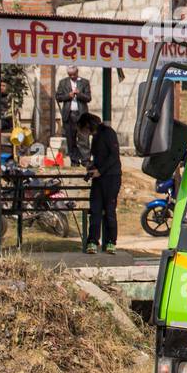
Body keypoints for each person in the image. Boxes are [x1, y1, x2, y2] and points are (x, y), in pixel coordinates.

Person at [78, 112, 120, 254]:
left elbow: (114, 156)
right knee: (95, 210)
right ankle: (92, 241)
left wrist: (100, 171)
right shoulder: (95, 138)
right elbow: (98, 157)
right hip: (99, 178)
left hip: (111, 177)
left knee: (109, 211)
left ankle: (110, 242)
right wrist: (92, 168)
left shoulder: (108, 133)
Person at [55, 66, 91, 165]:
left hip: (81, 115)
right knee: (71, 139)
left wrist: (79, 94)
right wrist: (68, 96)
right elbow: (58, 97)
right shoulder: (63, 82)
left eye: (74, 74)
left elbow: (88, 98)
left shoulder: (84, 82)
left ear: (77, 72)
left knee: (84, 138)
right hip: (69, 114)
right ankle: (74, 161)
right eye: (70, 75)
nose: (72, 76)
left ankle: (85, 160)